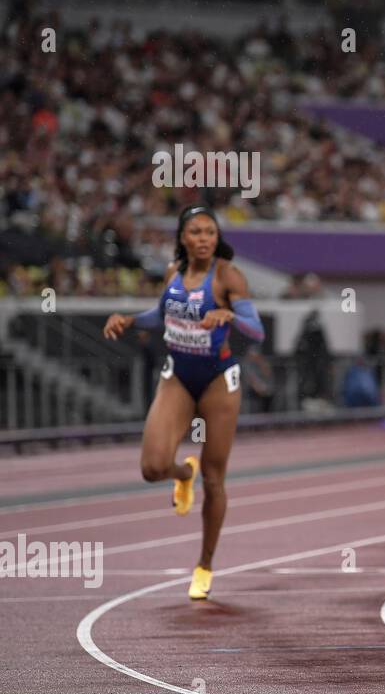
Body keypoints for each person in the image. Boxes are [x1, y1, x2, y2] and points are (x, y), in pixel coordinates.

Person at [103, 206, 265, 601]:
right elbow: (160, 315)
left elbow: (256, 331)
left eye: (211, 231)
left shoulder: (228, 276)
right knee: (152, 467)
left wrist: (228, 315)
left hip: (217, 381)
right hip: (177, 375)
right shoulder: (173, 273)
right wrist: (129, 319)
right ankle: (181, 475)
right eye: (196, 232)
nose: (205, 238)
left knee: (215, 478)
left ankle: (204, 565)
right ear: (183, 238)